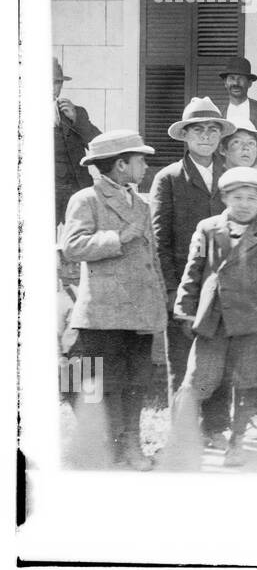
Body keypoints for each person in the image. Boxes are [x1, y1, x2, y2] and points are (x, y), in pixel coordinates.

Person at [172, 167, 257, 467]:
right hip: (213, 319)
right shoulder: (208, 228)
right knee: (198, 380)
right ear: (225, 197)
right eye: (237, 197)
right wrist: (186, 310)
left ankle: (236, 442)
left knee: (246, 383)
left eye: (252, 199)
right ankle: (179, 440)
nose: (244, 204)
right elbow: (194, 270)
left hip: (251, 323)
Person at [62, 131, 168, 470]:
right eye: (140, 159)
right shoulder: (86, 199)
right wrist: (119, 237)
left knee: (136, 384)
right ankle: (102, 445)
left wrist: (159, 304)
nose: (145, 166)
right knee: (89, 383)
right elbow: (73, 246)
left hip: (138, 314)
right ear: (121, 164)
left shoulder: (142, 203)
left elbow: (152, 260)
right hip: (101, 314)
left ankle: (131, 447)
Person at [151, 97, 233, 421]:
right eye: (197, 129)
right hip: (186, 287)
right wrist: (172, 292)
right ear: (185, 135)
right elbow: (160, 241)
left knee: (220, 360)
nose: (206, 136)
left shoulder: (231, 176)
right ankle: (183, 431)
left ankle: (216, 427)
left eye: (213, 129)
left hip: (224, 286)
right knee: (184, 361)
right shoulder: (169, 179)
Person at [53, 57, 101, 224]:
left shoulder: (77, 112)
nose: (53, 88)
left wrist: (76, 120)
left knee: (79, 242)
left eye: (57, 83)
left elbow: (99, 146)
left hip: (77, 192)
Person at [217, 57, 257, 134]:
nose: (236, 83)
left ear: (249, 83)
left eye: (241, 78)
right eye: (232, 78)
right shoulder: (218, 114)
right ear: (225, 83)